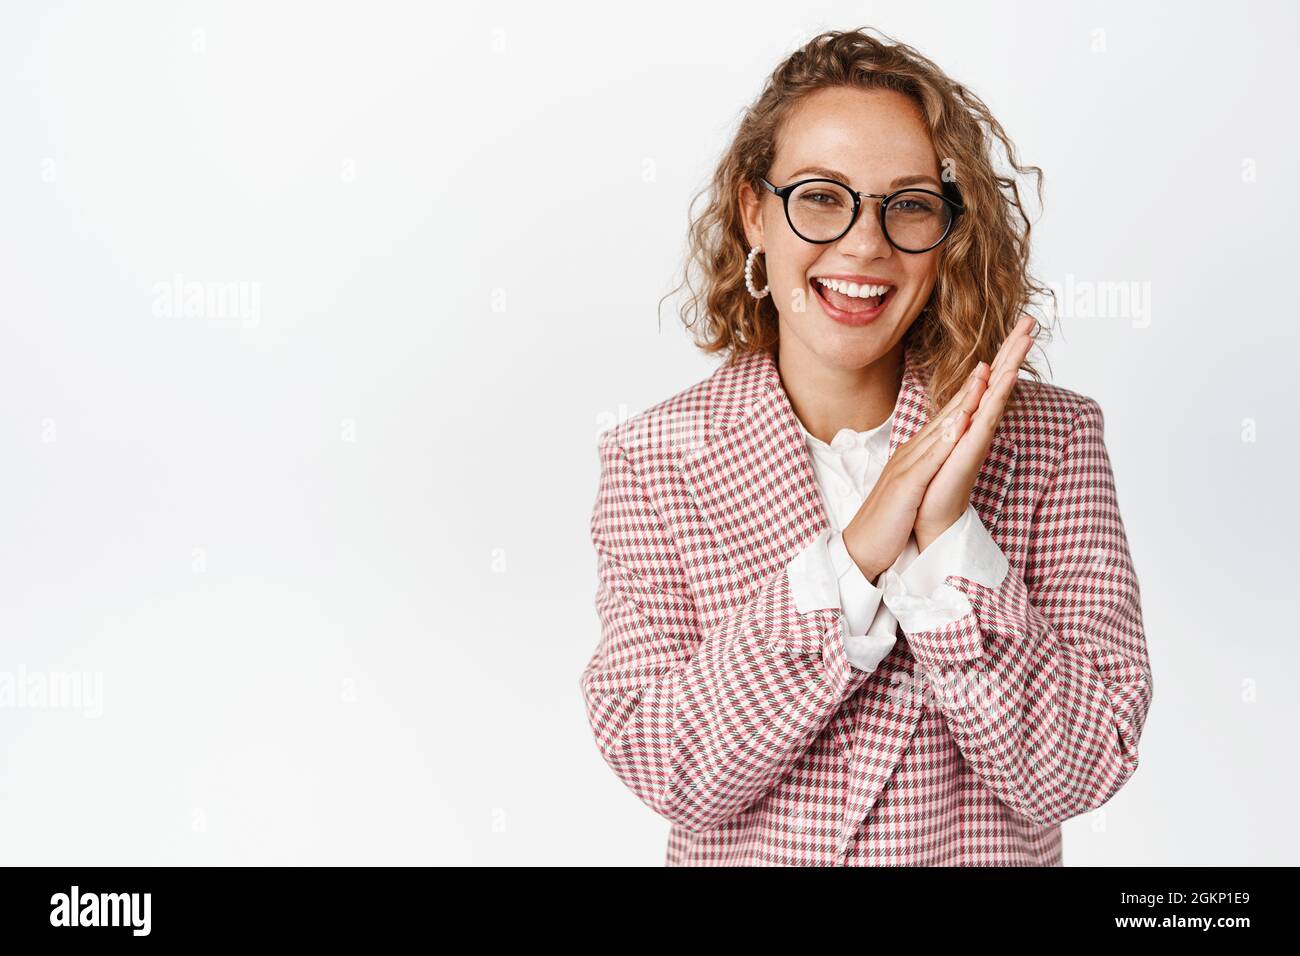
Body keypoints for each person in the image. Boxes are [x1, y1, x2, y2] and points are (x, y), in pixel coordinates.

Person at [579, 26, 1152, 866]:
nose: (864, 244)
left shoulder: (1051, 440)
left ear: (949, 228)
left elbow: (1087, 764)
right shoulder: (655, 457)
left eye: (909, 203)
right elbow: (668, 765)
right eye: (820, 195)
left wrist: (950, 538)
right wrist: (852, 560)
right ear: (754, 214)